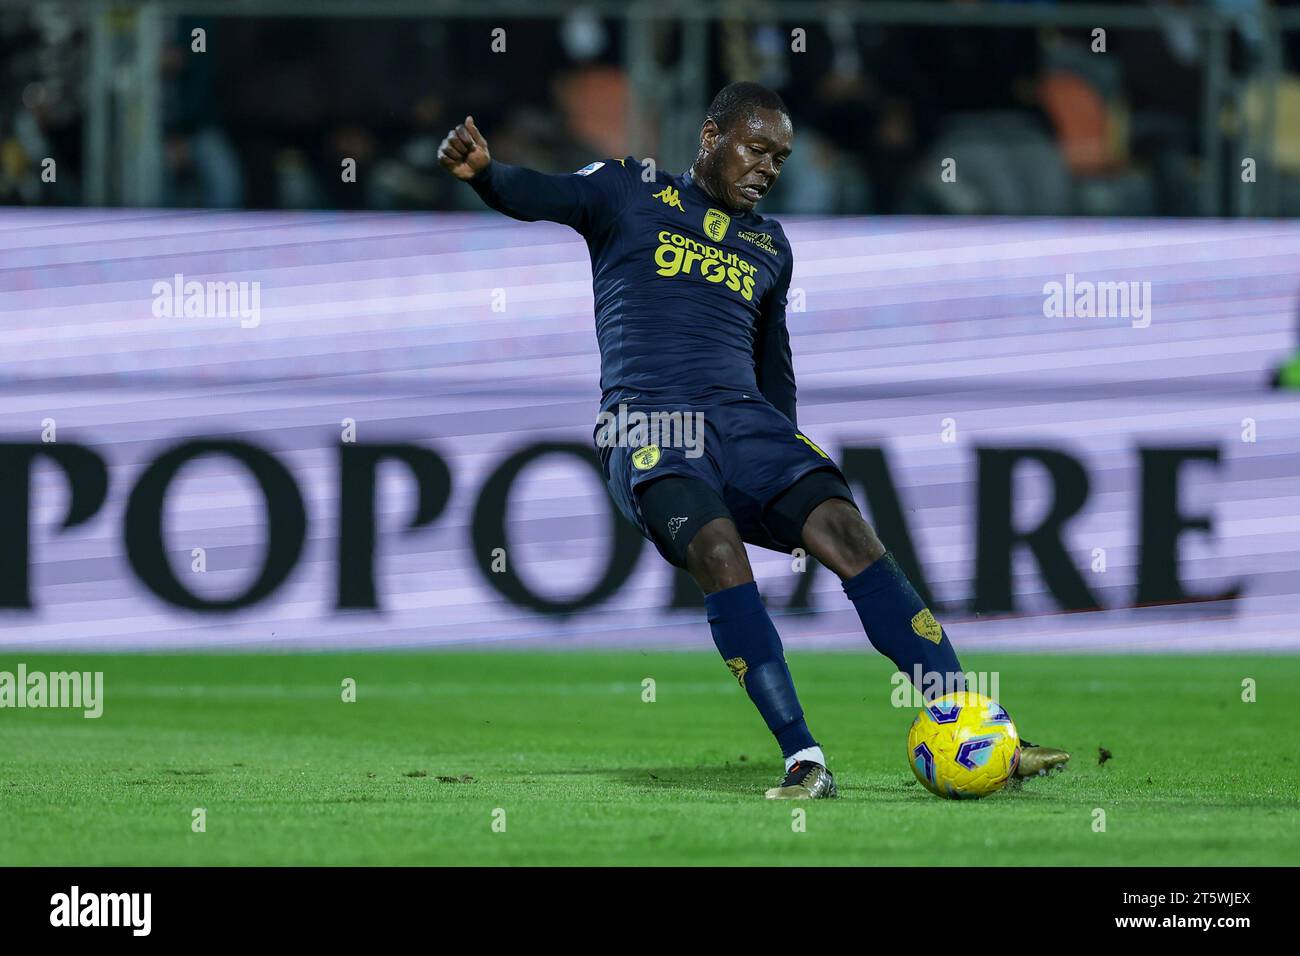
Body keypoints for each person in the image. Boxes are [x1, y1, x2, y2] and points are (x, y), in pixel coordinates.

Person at [439, 81, 1069, 798]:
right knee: (717, 551)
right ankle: (804, 757)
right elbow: (540, 193)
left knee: (850, 534)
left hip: (749, 426)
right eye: (756, 147)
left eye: (781, 157)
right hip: (651, 424)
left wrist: (788, 474)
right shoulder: (628, 191)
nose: (768, 167)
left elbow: (776, 371)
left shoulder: (771, 244)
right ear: (711, 138)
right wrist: (487, 175)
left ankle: (977, 724)